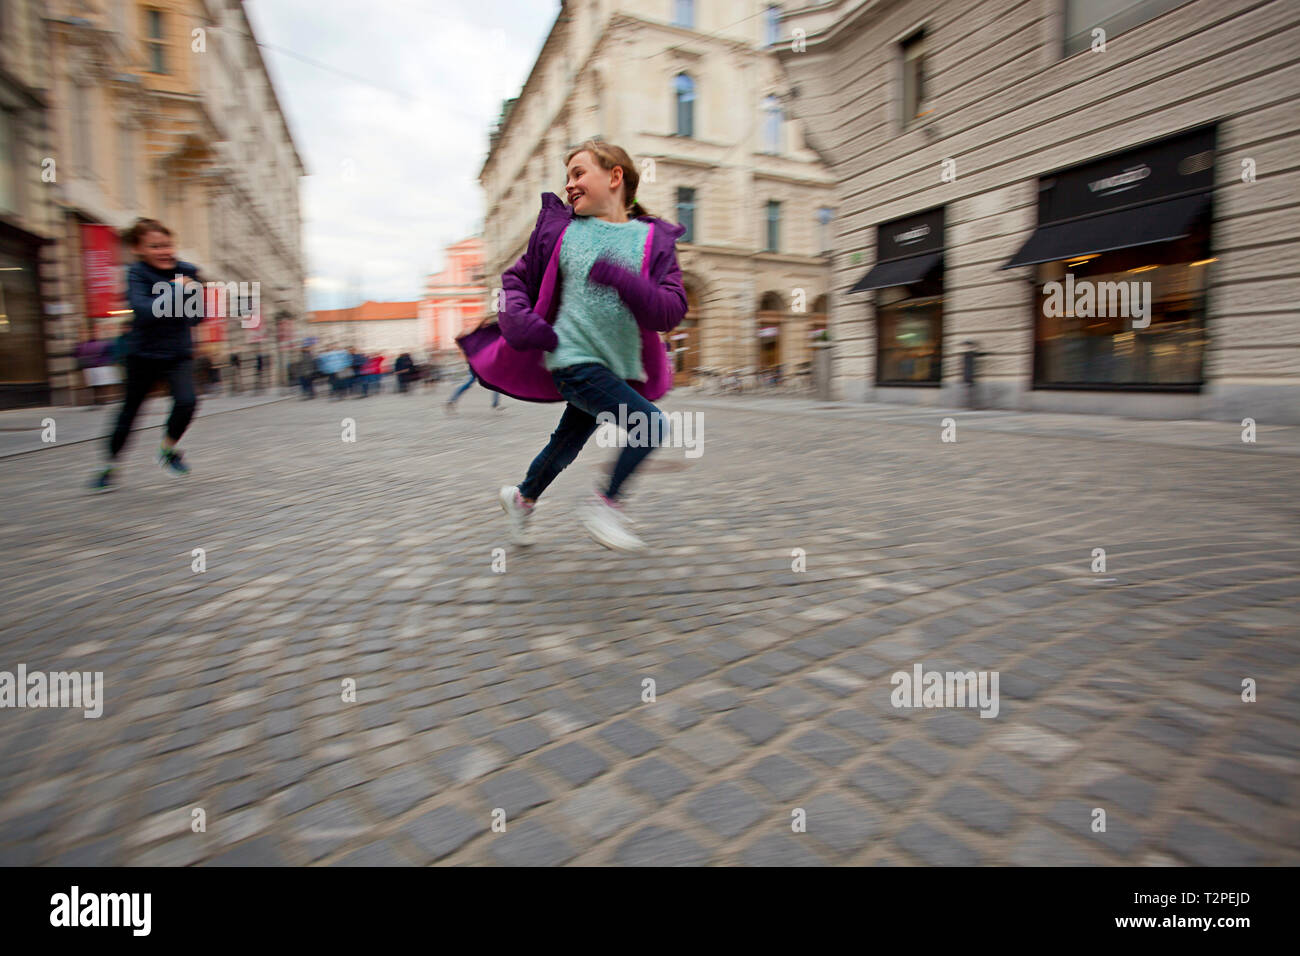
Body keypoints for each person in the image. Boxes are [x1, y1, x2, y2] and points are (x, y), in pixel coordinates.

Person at [456, 140, 687, 551]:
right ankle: (606, 506)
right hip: (572, 360)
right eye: (567, 177)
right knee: (649, 425)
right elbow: (514, 283)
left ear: (615, 177)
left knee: (566, 444)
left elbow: (670, 311)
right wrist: (523, 323)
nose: (570, 185)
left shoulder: (652, 240)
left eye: (579, 173)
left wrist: (623, 279)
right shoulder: (561, 232)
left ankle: (522, 498)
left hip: (615, 368)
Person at [89, 218, 203, 491]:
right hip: (143, 354)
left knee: (187, 402)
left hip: (177, 352)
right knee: (130, 412)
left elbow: (197, 317)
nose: (164, 251)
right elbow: (146, 310)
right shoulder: (136, 274)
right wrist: (177, 291)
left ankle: (167, 449)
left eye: (167, 245)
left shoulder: (187, 272)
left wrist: (190, 295)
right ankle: (110, 465)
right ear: (138, 249)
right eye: (155, 246)